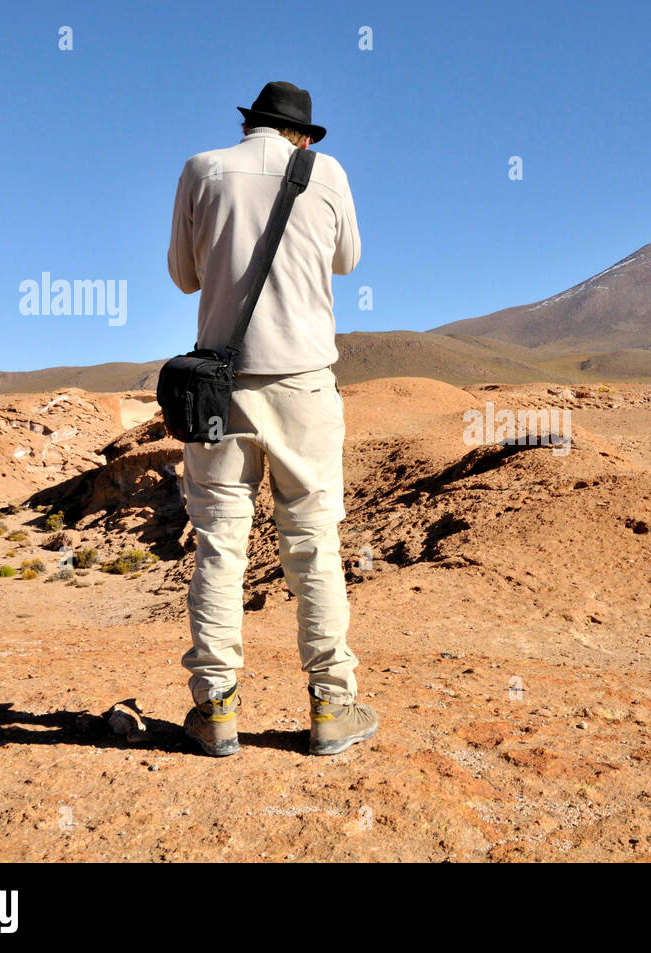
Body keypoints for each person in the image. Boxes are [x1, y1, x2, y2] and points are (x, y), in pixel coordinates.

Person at [166, 81, 376, 757]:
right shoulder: (328, 174)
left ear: (249, 124)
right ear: (305, 138)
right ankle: (333, 709)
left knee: (220, 546)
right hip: (305, 389)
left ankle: (217, 710)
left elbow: (183, 276)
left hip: (220, 392)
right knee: (313, 547)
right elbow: (348, 260)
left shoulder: (202, 169)